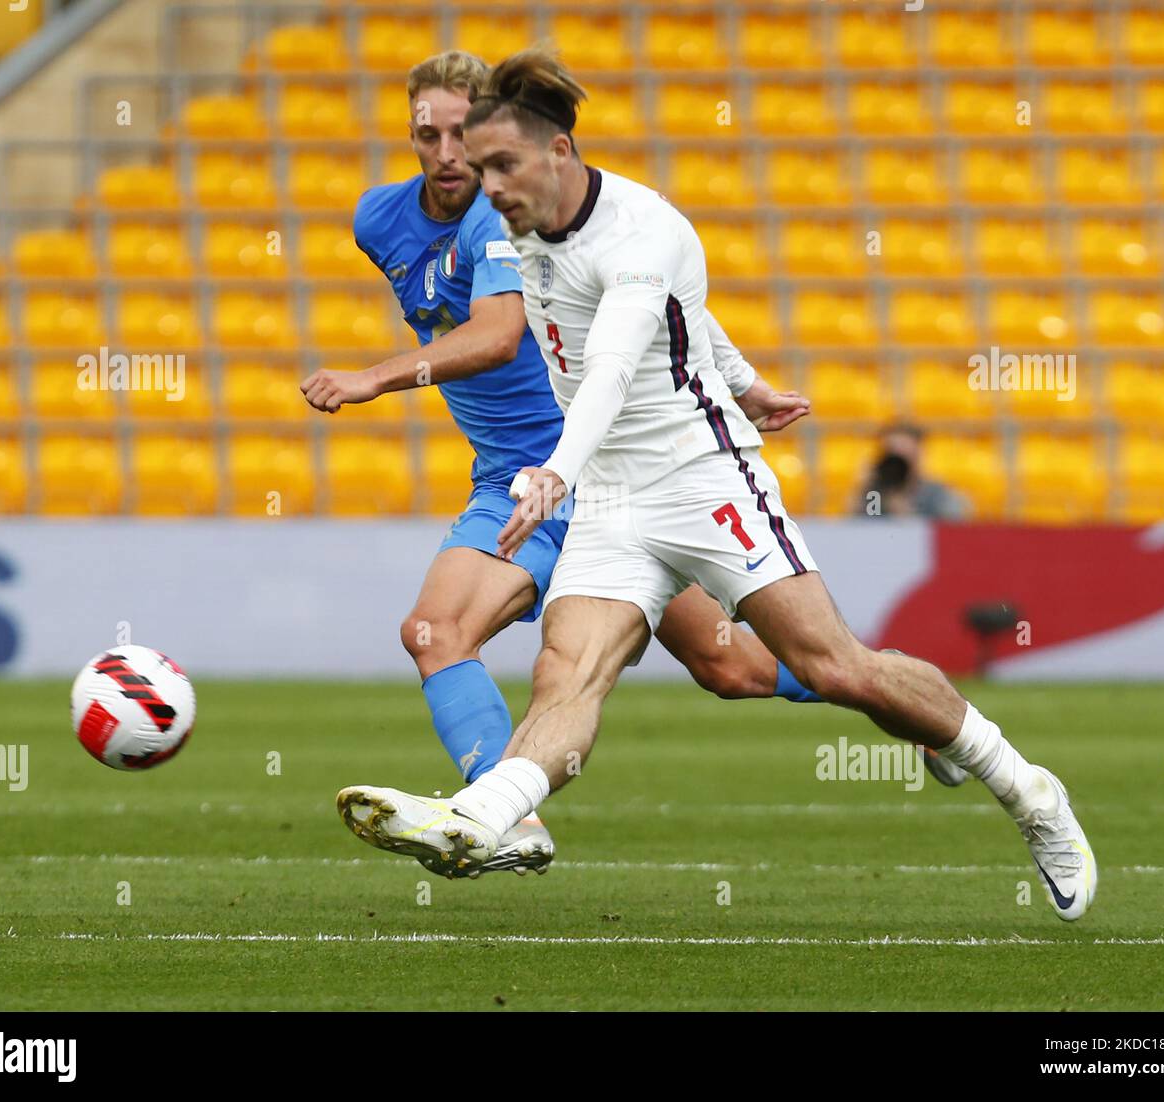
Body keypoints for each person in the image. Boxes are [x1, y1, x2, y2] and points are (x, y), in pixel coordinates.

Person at [335, 48, 1098, 922]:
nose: (483, 183)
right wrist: (745, 376)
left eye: (500, 164)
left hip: (700, 477)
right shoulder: (506, 225)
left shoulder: (640, 229)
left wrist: (556, 472)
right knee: (566, 674)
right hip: (612, 497)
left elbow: (617, 365)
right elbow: (684, 317)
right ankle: (482, 818)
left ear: (559, 151)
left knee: (833, 666)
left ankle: (1029, 790)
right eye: (473, 161)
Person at [300, 51, 823, 878]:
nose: (444, 155)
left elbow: (504, 332)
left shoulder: (501, 223)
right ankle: (511, 820)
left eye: (460, 137)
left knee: (738, 667)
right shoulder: (380, 218)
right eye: (424, 135)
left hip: (590, 472)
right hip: (506, 479)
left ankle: (883, 689)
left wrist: (375, 376)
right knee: (434, 631)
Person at [859, 423, 969, 520]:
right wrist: (862, 487)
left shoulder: (938, 493)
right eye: (891, 451)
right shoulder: (875, 494)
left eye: (903, 450)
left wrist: (906, 513)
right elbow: (862, 527)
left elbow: (951, 528)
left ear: (919, 453)